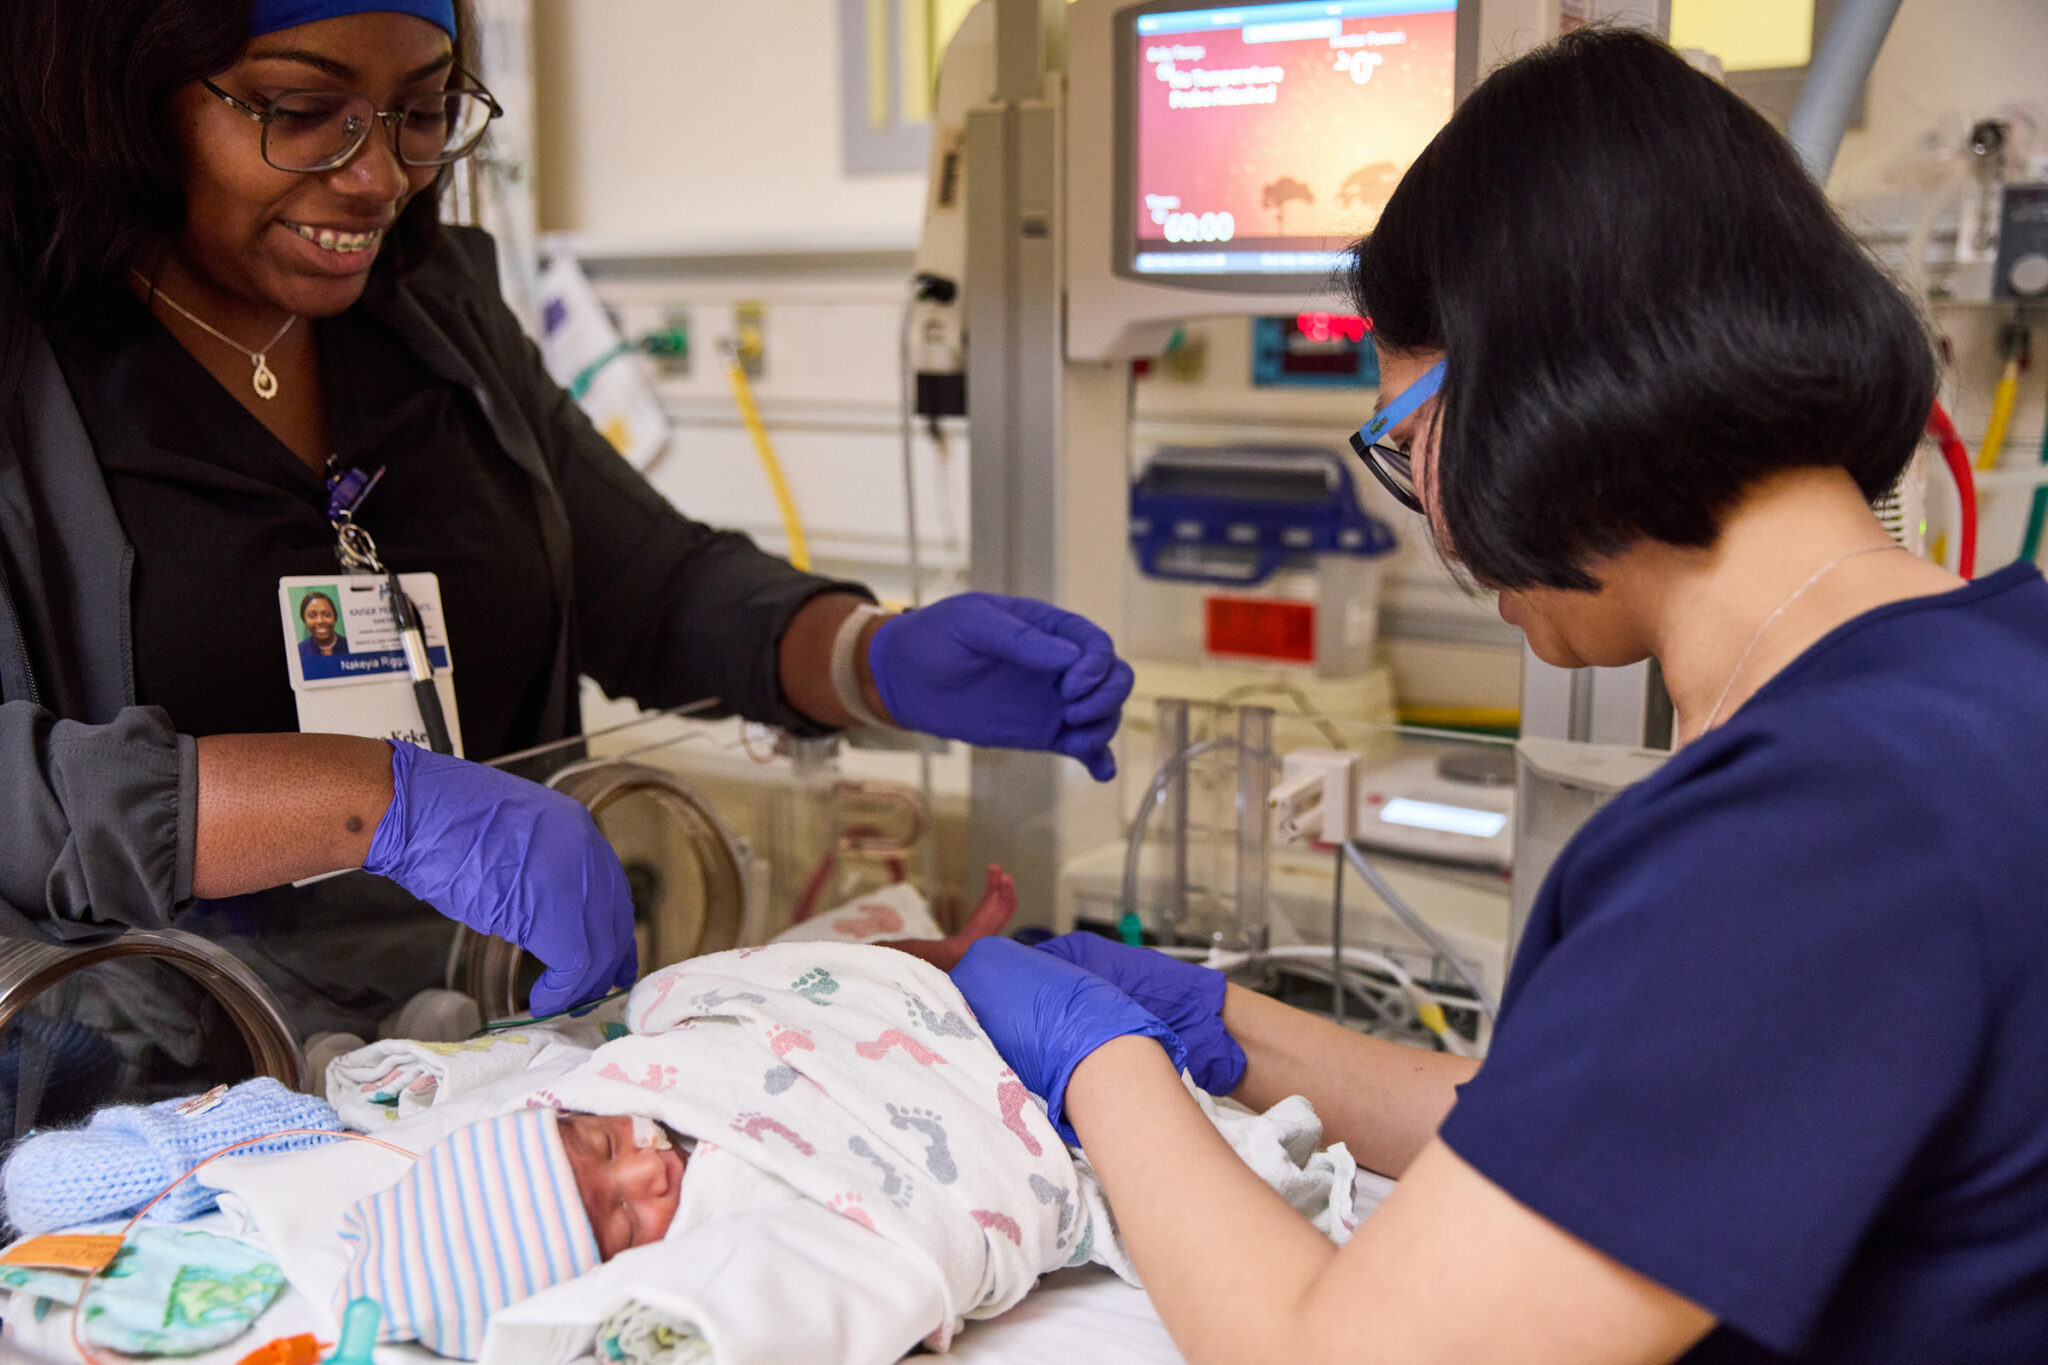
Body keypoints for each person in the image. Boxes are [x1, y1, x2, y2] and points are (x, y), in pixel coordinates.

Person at [948, 29, 2048, 1365]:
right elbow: (1592, 1130)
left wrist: (1100, 1069)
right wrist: (1220, 1029)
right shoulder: (1983, 673)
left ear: (1531, 389)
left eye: (1407, 445)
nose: (1435, 527)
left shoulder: (1822, 818)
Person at [0, 0, 1133, 1047]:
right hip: (140, 1094)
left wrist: (866, 654)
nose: (379, 176)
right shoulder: (34, 367)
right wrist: (371, 801)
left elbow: (641, 580)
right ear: (127, 93)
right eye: (303, 114)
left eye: (423, 110)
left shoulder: (425, 309)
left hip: (489, 1048)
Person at [296, 590, 348, 658]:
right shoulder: (299, 652)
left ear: (335, 617)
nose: (320, 621)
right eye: (312, 616)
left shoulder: (350, 646)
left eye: (327, 615)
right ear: (304, 620)